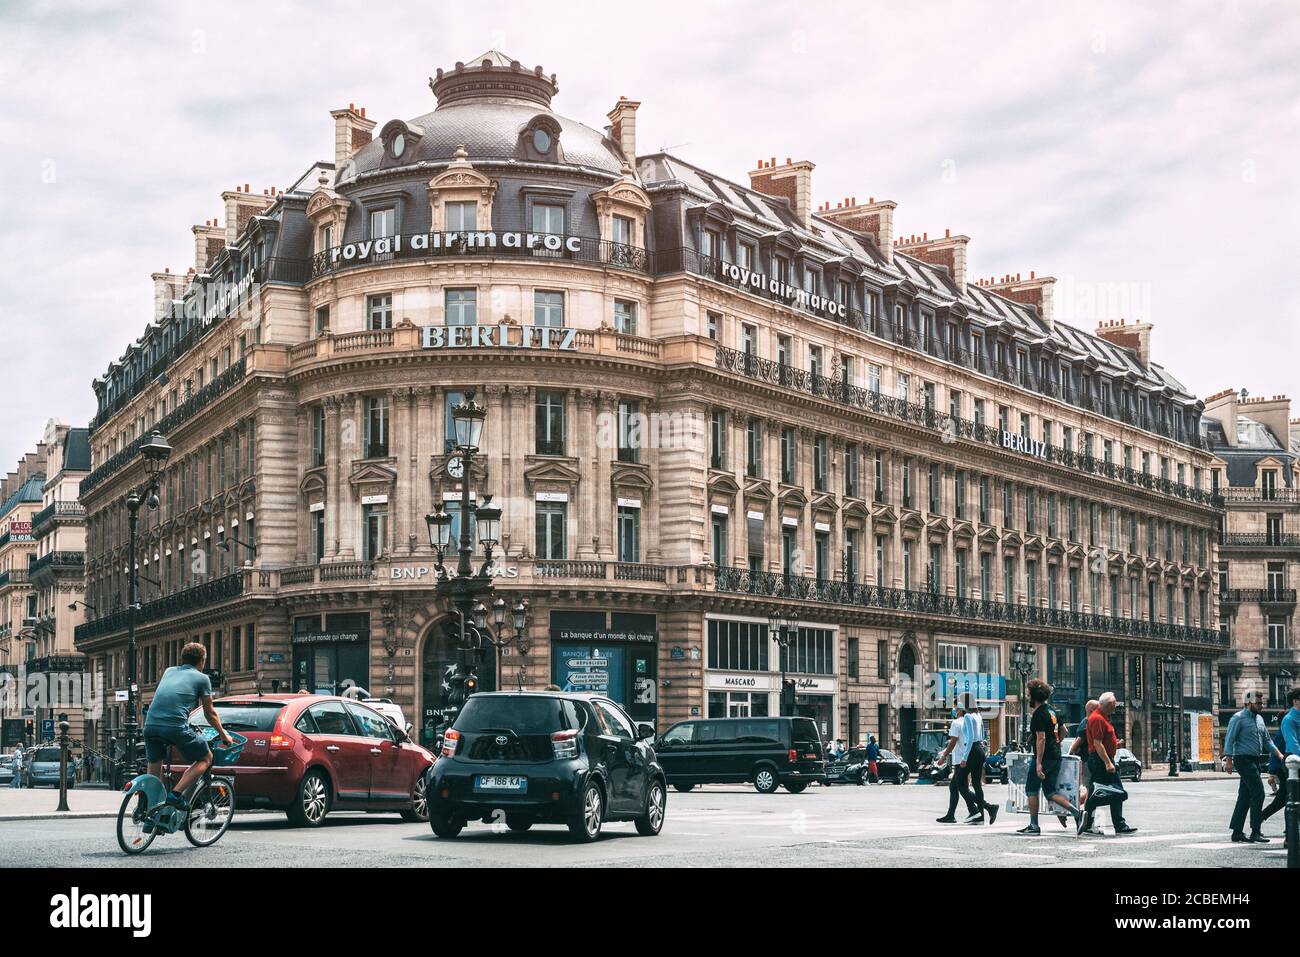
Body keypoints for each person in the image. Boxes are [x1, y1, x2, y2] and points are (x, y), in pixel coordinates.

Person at [143, 642, 232, 809]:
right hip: (174, 727)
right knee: (206, 758)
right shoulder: (203, 678)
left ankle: (149, 809)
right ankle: (175, 795)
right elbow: (209, 713)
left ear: (182, 659)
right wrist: (223, 734)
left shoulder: (169, 671)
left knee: (155, 768)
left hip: (150, 725)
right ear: (202, 661)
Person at [1017, 679, 1082, 835]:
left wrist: (1038, 763)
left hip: (1044, 757)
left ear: (1033, 696)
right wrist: (1056, 744)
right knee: (1050, 792)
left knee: (1031, 790)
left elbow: (1041, 738)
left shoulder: (1038, 714)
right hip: (1055, 756)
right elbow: (1064, 730)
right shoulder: (1052, 710)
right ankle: (1077, 813)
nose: (1026, 696)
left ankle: (1034, 825)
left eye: (1028, 693)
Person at [1224, 691, 1282, 843]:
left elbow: (1267, 741)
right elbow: (1229, 739)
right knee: (1258, 793)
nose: (1261, 706)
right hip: (1242, 759)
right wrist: (1228, 759)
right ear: (1248, 703)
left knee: (1245, 795)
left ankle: (1237, 832)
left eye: (1262, 703)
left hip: (1255, 760)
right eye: (1258, 703)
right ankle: (1255, 831)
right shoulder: (1238, 718)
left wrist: (1280, 755)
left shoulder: (1260, 719)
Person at [1080, 692, 1137, 836]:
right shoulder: (1097, 719)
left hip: (1103, 759)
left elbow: (1102, 742)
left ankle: (1089, 822)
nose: (1115, 706)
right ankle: (1113, 823)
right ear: (1107, 705)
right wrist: (1107, 763)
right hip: (1101, 761)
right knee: (1110, 791)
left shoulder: (1102, 718)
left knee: (1108, 791)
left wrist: (1114, 745)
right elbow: (1097, 744)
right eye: (1114, 704)